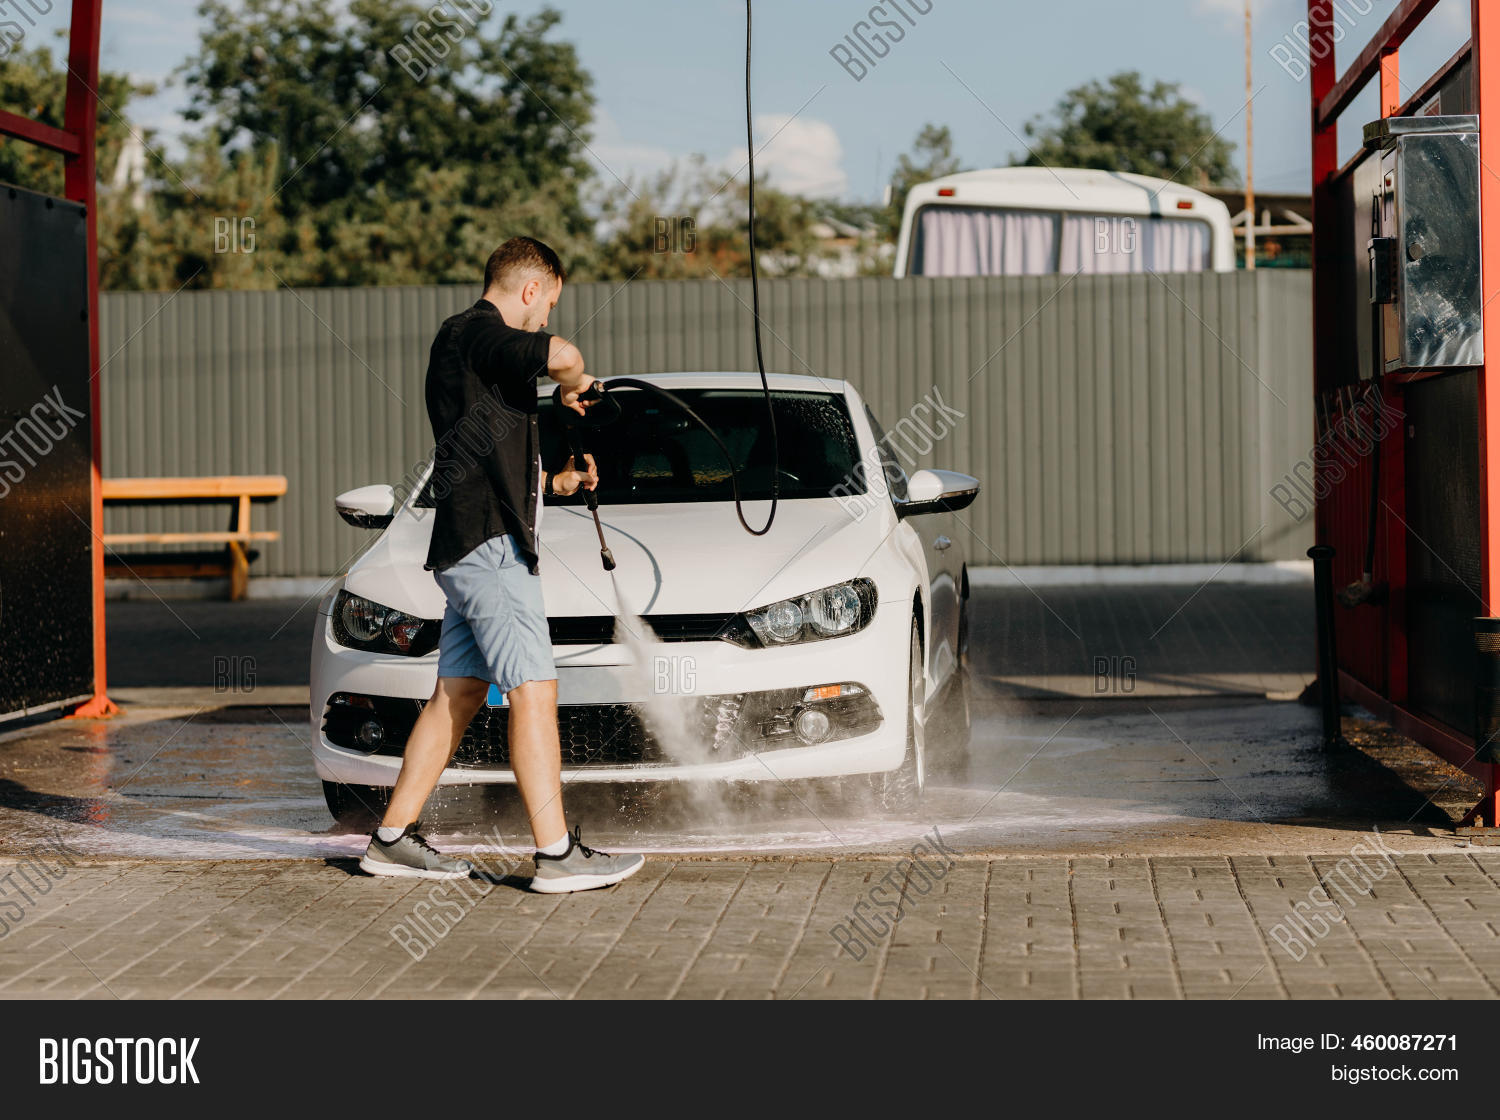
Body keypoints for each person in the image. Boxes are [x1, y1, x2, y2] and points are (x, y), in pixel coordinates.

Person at [359, 236, 645, 893]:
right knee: (534, 692)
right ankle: (556, 854)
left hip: (473, 541)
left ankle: (391, 840)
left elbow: (498, 458)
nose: (547, 317)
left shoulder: (478, 360)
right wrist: (575, 381)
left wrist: (562, 485)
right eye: (549, 303)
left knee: (456, 696)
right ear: (529, 290)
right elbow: (565, 355)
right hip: (488, 549)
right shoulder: (476, 333)